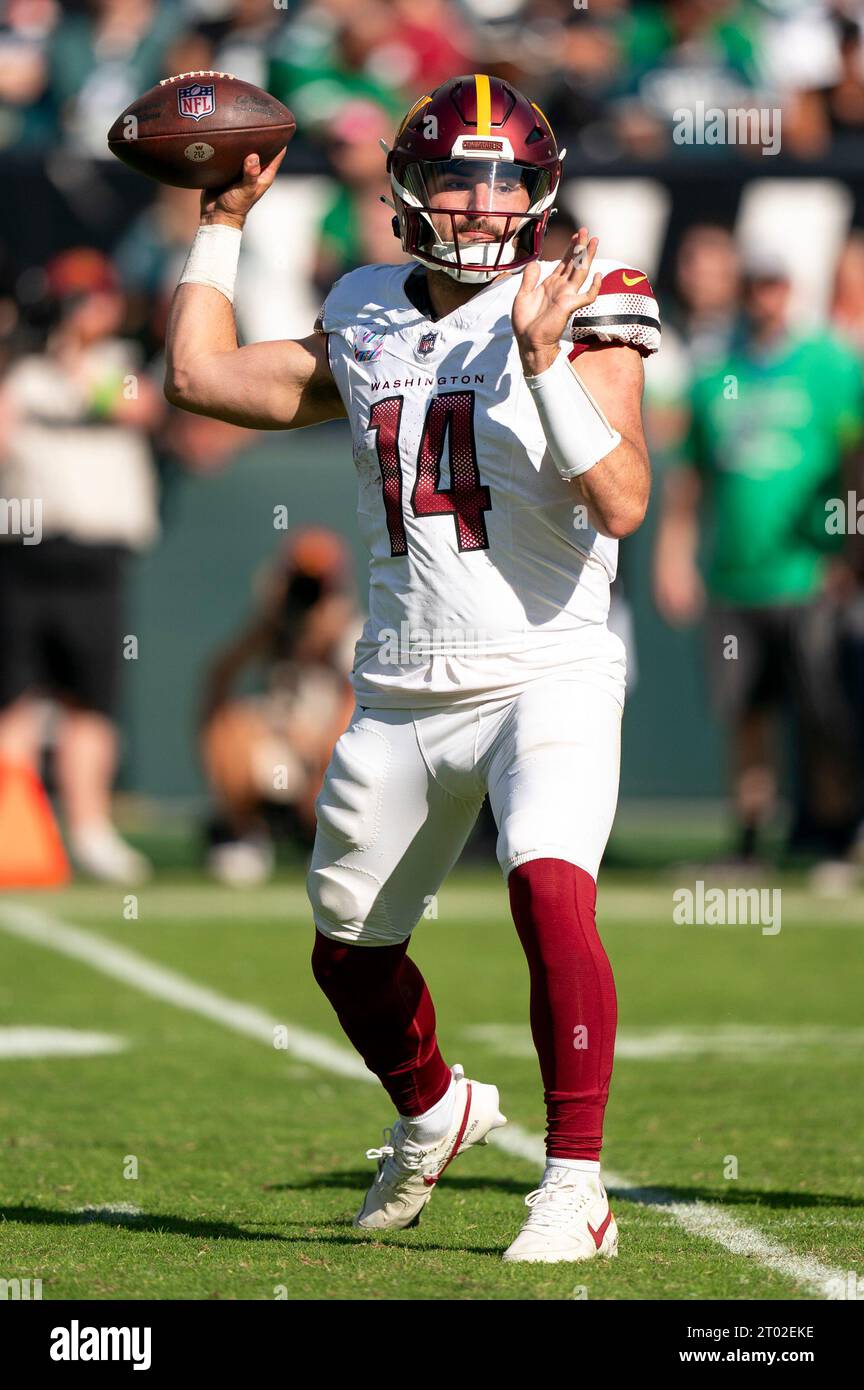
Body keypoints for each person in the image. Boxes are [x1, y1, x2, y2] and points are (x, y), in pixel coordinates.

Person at [164, 74, 658, 1264]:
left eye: (503, 182)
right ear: (406, 191)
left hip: (549, 661)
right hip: (401, 675)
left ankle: (574, 1183)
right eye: (456, 179)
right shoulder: (368, 305)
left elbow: (625, 498)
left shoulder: (588, 297)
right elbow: (200, 378)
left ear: (538, 193)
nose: (483, 206)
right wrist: (222, 221)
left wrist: (542, 362)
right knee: (347, 949)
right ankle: (437, 1108)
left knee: (548, 886)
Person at [653, 254, 864, 879]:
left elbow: (854, 463)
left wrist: (851, 551)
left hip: (807, 576)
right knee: (745, 713)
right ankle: (749, 844)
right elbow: (691, 479)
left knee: (825, 713)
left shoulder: (830, 367)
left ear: (791, 289)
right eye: (754, 284)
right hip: (733, 579)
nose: (764, 297)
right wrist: (675, 555)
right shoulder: (715, 373)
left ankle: (837, 840)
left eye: (775, 283)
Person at [0, 247, 163, 883]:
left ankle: (90, 832)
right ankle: (16, 830)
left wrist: (70, 356)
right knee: (15, 697)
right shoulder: (19, 375)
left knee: (90, 703)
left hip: (98, 558)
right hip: (27, 553)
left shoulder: (118, 368)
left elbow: (135, 407)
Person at [199, 527, 361, 885]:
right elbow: (219, 674)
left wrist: (324, 771)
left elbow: (351, 707)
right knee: (233, 725)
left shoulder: (352, 634)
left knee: (342, 730)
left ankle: (328, 835)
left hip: (334, 756)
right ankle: (242, 831)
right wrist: (268, 622)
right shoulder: (274, 628)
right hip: (282, 750)